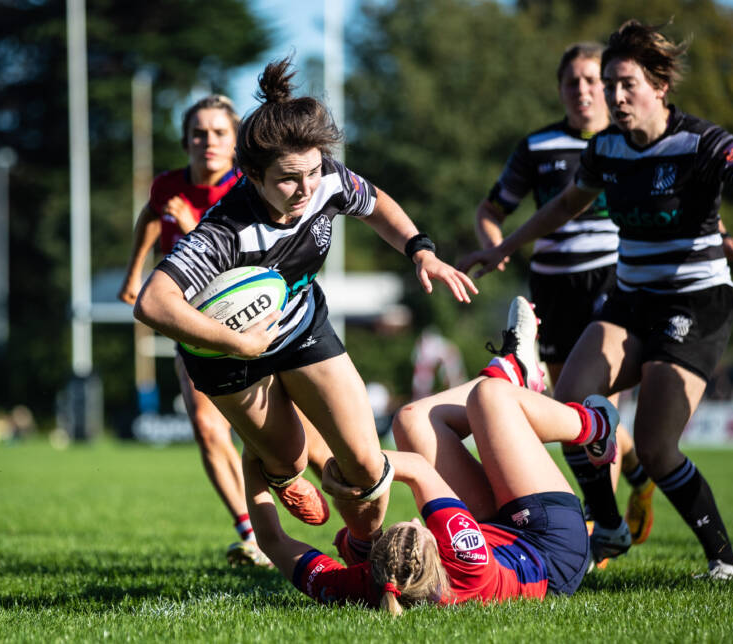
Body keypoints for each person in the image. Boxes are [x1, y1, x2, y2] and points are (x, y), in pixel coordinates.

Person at [459, 20, 733, 580]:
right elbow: (565, 205)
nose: (614, 96)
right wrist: (505, 247)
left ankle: (724, 561)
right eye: (609, 83)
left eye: (625, 84)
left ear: (660, 87)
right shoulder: (606, 147)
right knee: (570, 403)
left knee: (660, 449)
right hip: (631, 300)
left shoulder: (704, 142)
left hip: (695, 304)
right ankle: (608, 523)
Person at [133, 57, 476, 555]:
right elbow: (153, 302)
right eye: (289, 179)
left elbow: (377, 204)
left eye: (314, 172)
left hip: (300, 327)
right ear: (251, 174)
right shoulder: (224, 231)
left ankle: (364, 553)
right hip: (227, 357)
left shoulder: (326, 179)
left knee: (364, 464)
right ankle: (276, 469)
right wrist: (237, 342)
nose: (307, 189)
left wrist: (420, 248)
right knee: (292, 461)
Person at [118, 94, 330, 567]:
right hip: (200, 330)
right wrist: (135, 273)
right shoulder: (169, 185)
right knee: (207, 427)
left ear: (237, 143)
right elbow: (152, 217)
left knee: (302, 436)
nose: (208, 142)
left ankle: (350, 510)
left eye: (219, 133)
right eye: (199, 133)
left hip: (268, 325)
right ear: (186, 140)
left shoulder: (252, 185)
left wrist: (195, 225)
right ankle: (250, 534)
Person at [243, 351, 621, 612]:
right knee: (491, 398)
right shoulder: (465, 556)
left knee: (409, 420)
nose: (415, 520)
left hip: (496, 533)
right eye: (419, 528)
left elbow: (271, 541)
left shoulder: (360, 587)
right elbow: (419, 469)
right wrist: (359, 466)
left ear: (373, 569)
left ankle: (512, 375)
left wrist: (255, 452)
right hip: (550, 548)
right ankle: (594, 426)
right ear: (441, 553)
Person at [470, 42, 656, 549]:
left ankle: (604, 526)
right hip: (552, 289)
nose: (582, 90)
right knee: (570, 408)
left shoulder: (632, 141)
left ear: (610, 86)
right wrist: (496, 246)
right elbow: (489, 209)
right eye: (571, 82)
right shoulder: (537, 146)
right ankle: (635, 468)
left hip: (611, 281)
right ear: (560, 90)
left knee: (595, 402)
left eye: (592, 80)